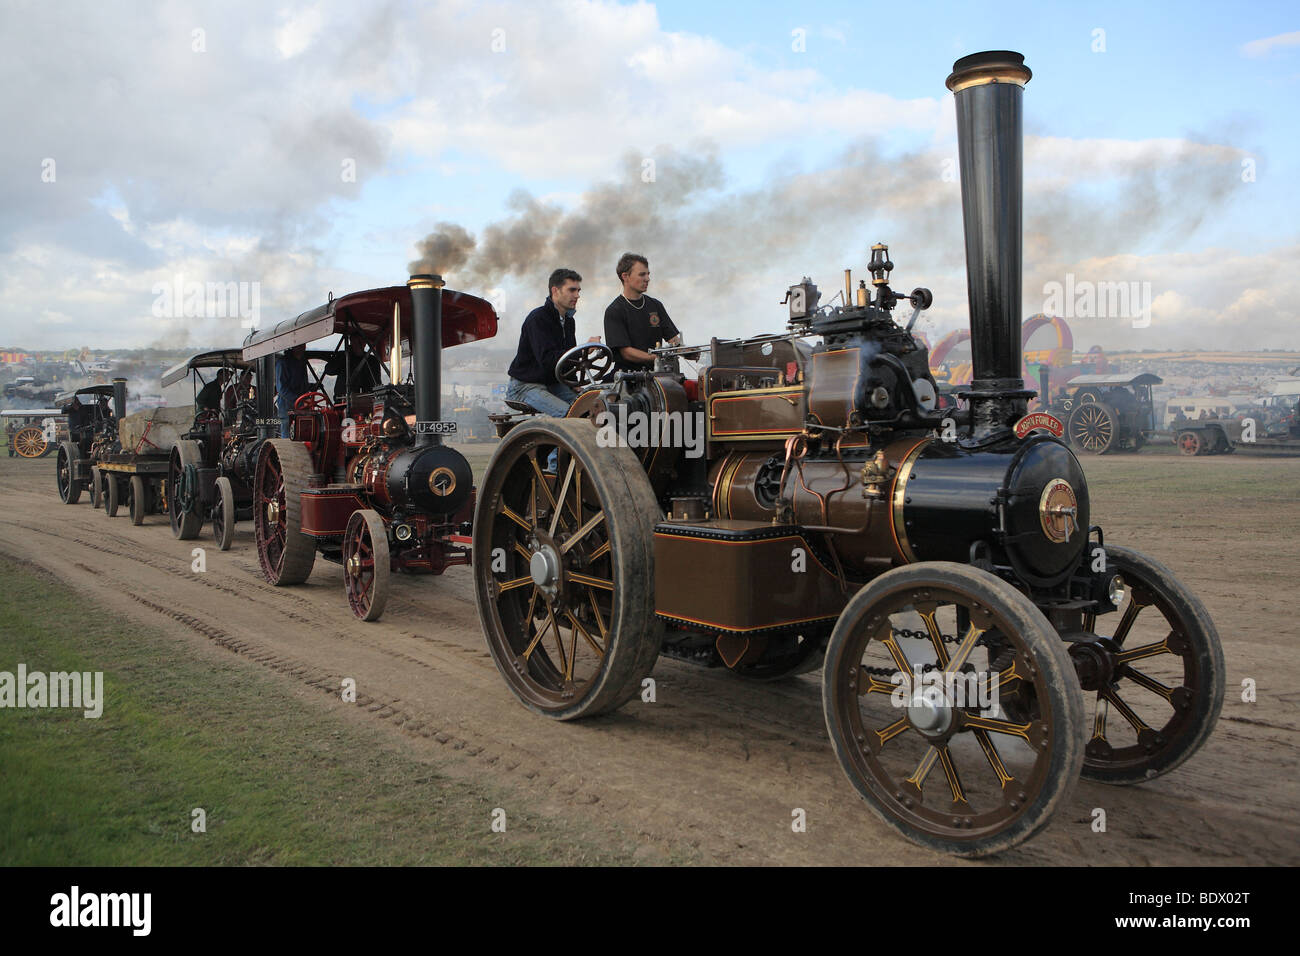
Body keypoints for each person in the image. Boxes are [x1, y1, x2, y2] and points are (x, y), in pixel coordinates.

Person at [505, 268, 593, 416]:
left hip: (553, 384)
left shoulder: (569, 321)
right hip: (526, 386)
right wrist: (582, 351)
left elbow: (567, 361)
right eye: (572, 290)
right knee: (570, 415)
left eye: (578, 291)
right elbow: (547, 360)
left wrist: (574, 384)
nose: (577, 295)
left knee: (588, 411)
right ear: (555, 290)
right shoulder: (538, 318)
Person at [603, 252, 686, 371]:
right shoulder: (615, 310)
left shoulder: (656, 305)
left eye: (648, 274)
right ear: (625, 276)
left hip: (658, 373)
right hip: (628, 377)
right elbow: (626, 352)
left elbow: (674, 340)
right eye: (642, 275)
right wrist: (657, 357)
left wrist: (690, 352)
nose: (647, 279)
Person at [325, 337, 382, 402]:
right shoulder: (343, 356)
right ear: (351, 341)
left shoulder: (372, 361)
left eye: (361, 341)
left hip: (367, 401)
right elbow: (328, 370)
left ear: (365, 343)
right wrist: (344, 356)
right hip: (343, 401)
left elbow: (377, 383)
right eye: (356, 341)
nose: (359, 344)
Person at [276, 345, 310, 438]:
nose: (303, 347)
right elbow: (281, 389)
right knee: (288, 439)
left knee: (302, 435)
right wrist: (300, 401)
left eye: (303, 345)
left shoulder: (301, 362)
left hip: (301, 408)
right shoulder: (283, 362)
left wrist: (312, 386)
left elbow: (302, 384)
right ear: (293, 346)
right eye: (300, 345)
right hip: (287, 408)